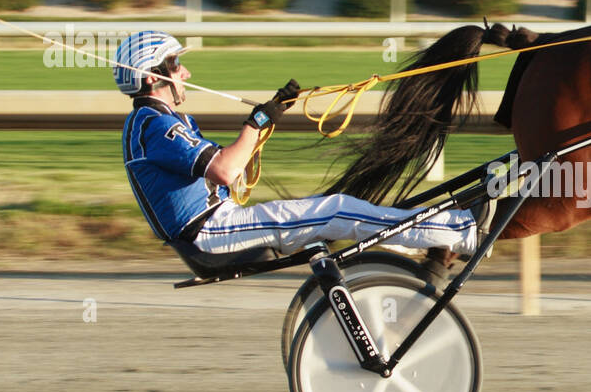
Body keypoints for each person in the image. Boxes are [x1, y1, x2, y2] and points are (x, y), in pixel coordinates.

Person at [115, 30, 480, 260]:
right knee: (338, 211)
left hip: (216, 226)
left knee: (340, 215)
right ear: (152, 76)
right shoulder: (154, 124)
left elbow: (231, 172)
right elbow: (227, 170)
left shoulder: (154, 121)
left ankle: (431, 240)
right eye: (176, 64)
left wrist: (267, 117)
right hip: (211, 234)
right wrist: (256, 121)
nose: (185, 73)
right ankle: (460, 232)